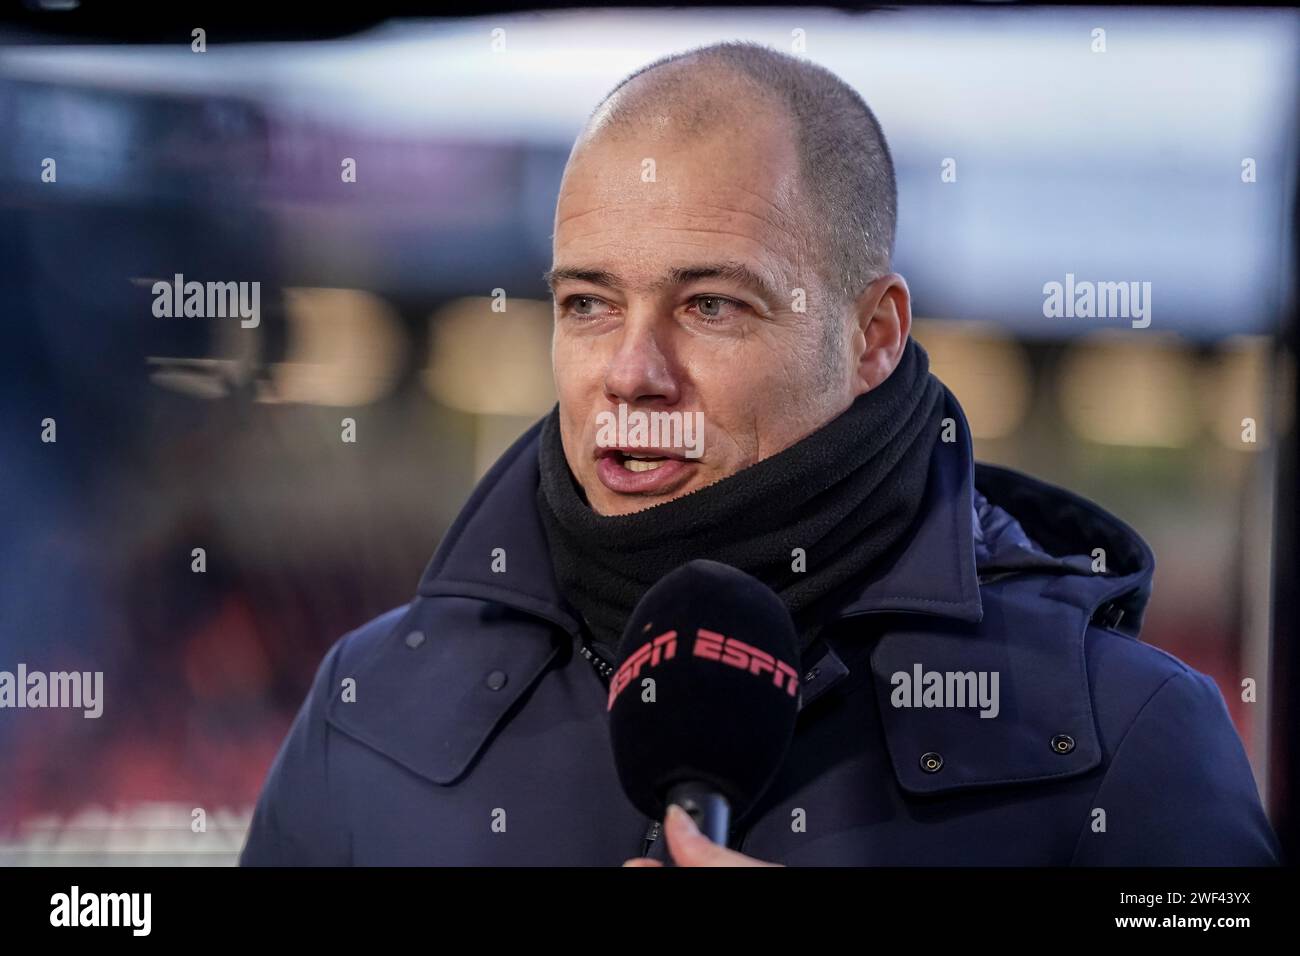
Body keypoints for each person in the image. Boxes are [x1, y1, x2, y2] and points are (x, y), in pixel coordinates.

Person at [240, 41, 1281, 866]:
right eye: (589, 303)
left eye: (709, 304)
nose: (632, 370)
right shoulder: (370, 701)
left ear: (872, 336)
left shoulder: (1130, 729)